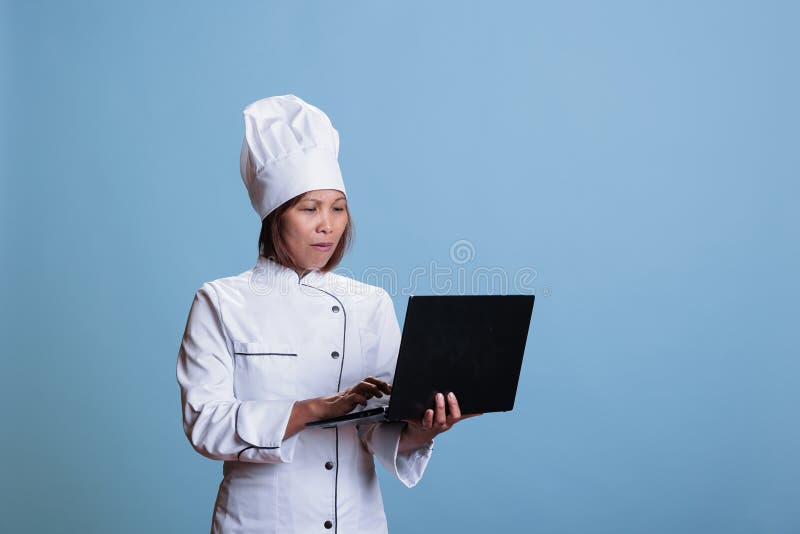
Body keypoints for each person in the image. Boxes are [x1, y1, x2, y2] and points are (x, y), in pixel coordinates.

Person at [176, 95, 474, 534]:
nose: (328, 225)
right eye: (309, 209)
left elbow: (380, 430)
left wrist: (426, 428)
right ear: (276, 217)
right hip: (260, 524)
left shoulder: (369, 303)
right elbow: (206, 424)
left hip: (357, 522)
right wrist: (314, 409)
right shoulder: (221, 302)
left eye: (338, 208)